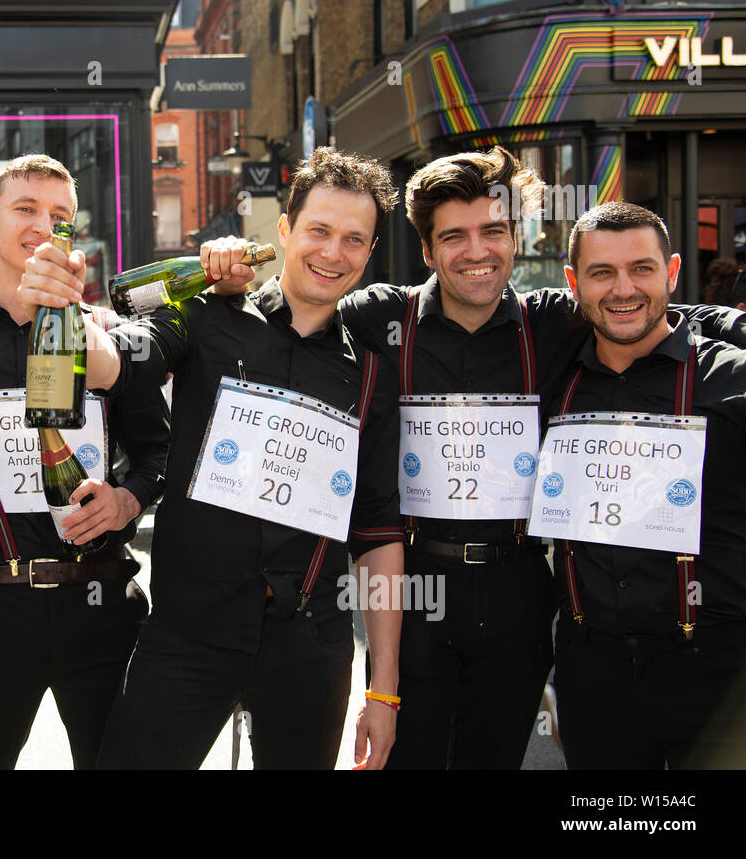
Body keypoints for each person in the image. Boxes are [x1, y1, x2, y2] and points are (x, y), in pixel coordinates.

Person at [216, 147, 744, 769]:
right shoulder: (378, 316)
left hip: (517, 590)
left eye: (493, 230)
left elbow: (641, 310)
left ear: (515, 237)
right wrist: (229, 274)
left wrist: (731, 322)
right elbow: (292, 307)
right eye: (454, 236)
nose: (477, 250)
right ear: (426, 248)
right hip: (413, 587)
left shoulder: (553, 323)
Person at [26, 148, 406, 769]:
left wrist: (383, 689)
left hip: (310, 644)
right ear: (283, 231)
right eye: (318, 231)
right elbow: (117, 363)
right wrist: (65, 304)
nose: (333, 253)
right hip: (187, 634)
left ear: (369, 251)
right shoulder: (207, 316)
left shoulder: (369, 377)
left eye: (354, 240)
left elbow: (379, 530)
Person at [0, 154, 167, 769]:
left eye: (60, 215)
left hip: (101, 598)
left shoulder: (106, 336)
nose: (44, 225)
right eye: (26, 209)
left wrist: (127, 497)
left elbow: (161, 453)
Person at [542, 201, 746, 768]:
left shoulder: (731, 379)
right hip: (592, 668)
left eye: (642, 269)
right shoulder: (554, 378)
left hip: (715, 667)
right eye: (601, 272)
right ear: (573, 282)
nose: (622, 289)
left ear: (673, 272)